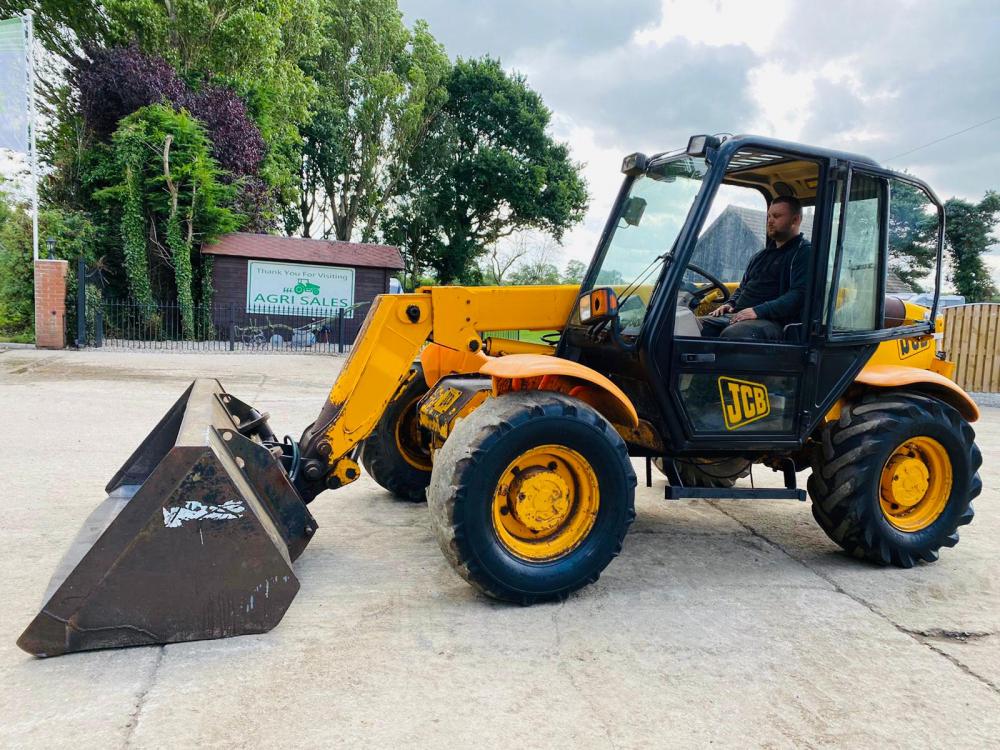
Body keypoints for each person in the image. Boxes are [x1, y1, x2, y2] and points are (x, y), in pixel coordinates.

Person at [700, 195, 811, 341]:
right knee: (685, 325)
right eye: (769, 216)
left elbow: (799, 295)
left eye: (776, 216)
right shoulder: (760, 256)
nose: (770, 221)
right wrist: (730, 303)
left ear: (795, 220)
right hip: (739, 315)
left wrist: (757, 311)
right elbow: (743, 288)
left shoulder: (803, 253)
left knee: (735, 335)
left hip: (774, 321)